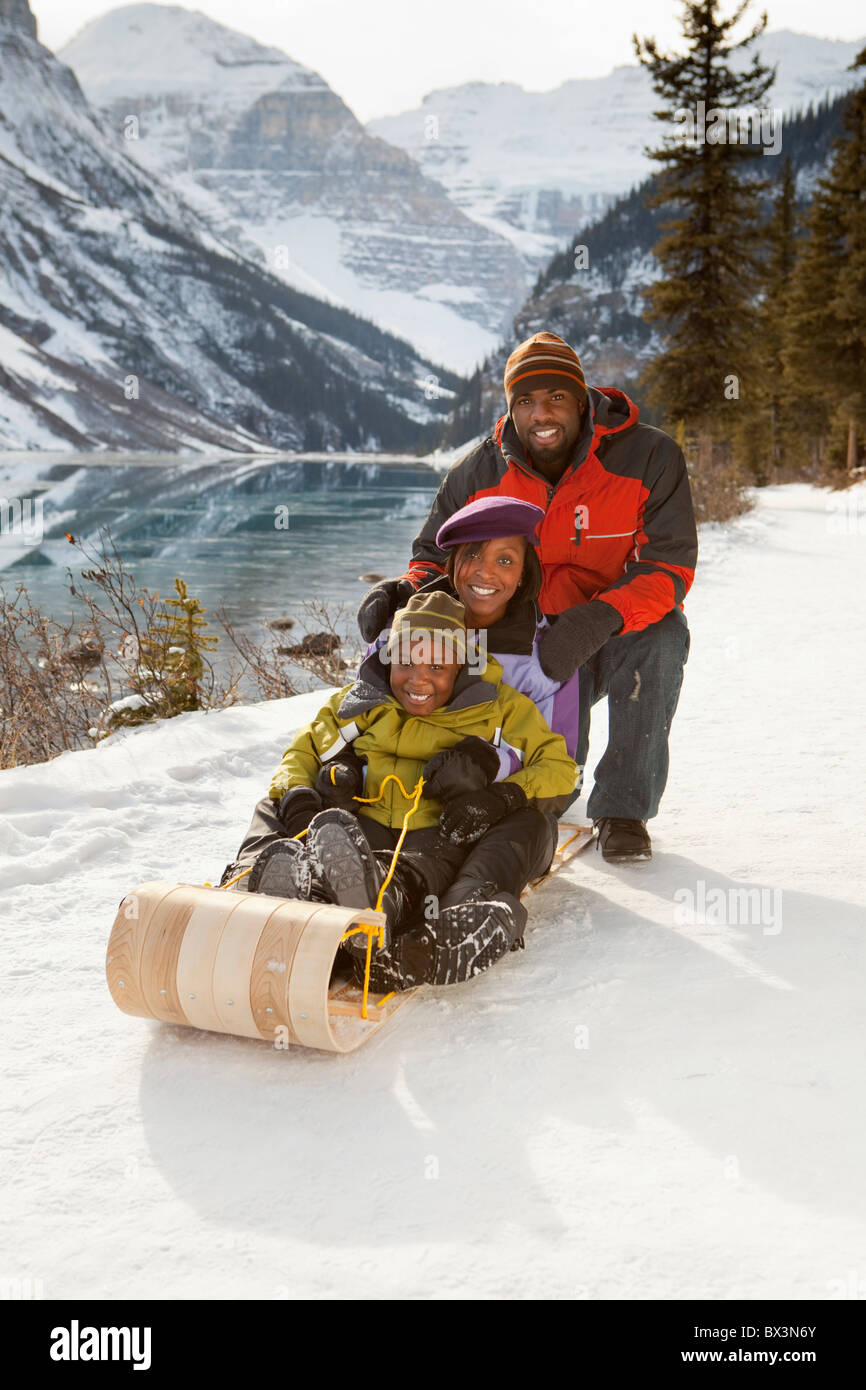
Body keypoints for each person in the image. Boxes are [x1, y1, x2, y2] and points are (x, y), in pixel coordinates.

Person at [358, 331, 697, 864]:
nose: (542, 414)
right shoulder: (477, 471)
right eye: (525, 401)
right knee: (553, 788)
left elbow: (669, 566)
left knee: (663, 633)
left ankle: (625, 810)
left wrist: (601, 617)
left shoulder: (650, 457)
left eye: (556, 398)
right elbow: (433, 556)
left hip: (603, 635)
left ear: (582, 401)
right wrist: (405, 593)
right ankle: (432, 784)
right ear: (511, 408)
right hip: (518, 646)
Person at [218, 592, 576, 991]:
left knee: (516, 824)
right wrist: (301, 803)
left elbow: (560, 768)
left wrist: (501, 795)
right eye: (405, 661)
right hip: (356, 832)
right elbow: (302, 751)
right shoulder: (361, 703)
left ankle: (381, 918)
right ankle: (256, 882)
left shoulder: (499, 709)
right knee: (275, 801)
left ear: (460, 665)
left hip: (438, 835)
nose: (417, 678)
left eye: (436, 665)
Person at [366, 494, 581, 774]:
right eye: (472, 554)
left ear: (523, 575)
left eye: (504, 560)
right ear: (452, 563)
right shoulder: (398, 630)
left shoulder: (545, 658)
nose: (485, 572)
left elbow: (555, 763)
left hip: (493, 802)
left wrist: (482, 773)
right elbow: (362, 714)